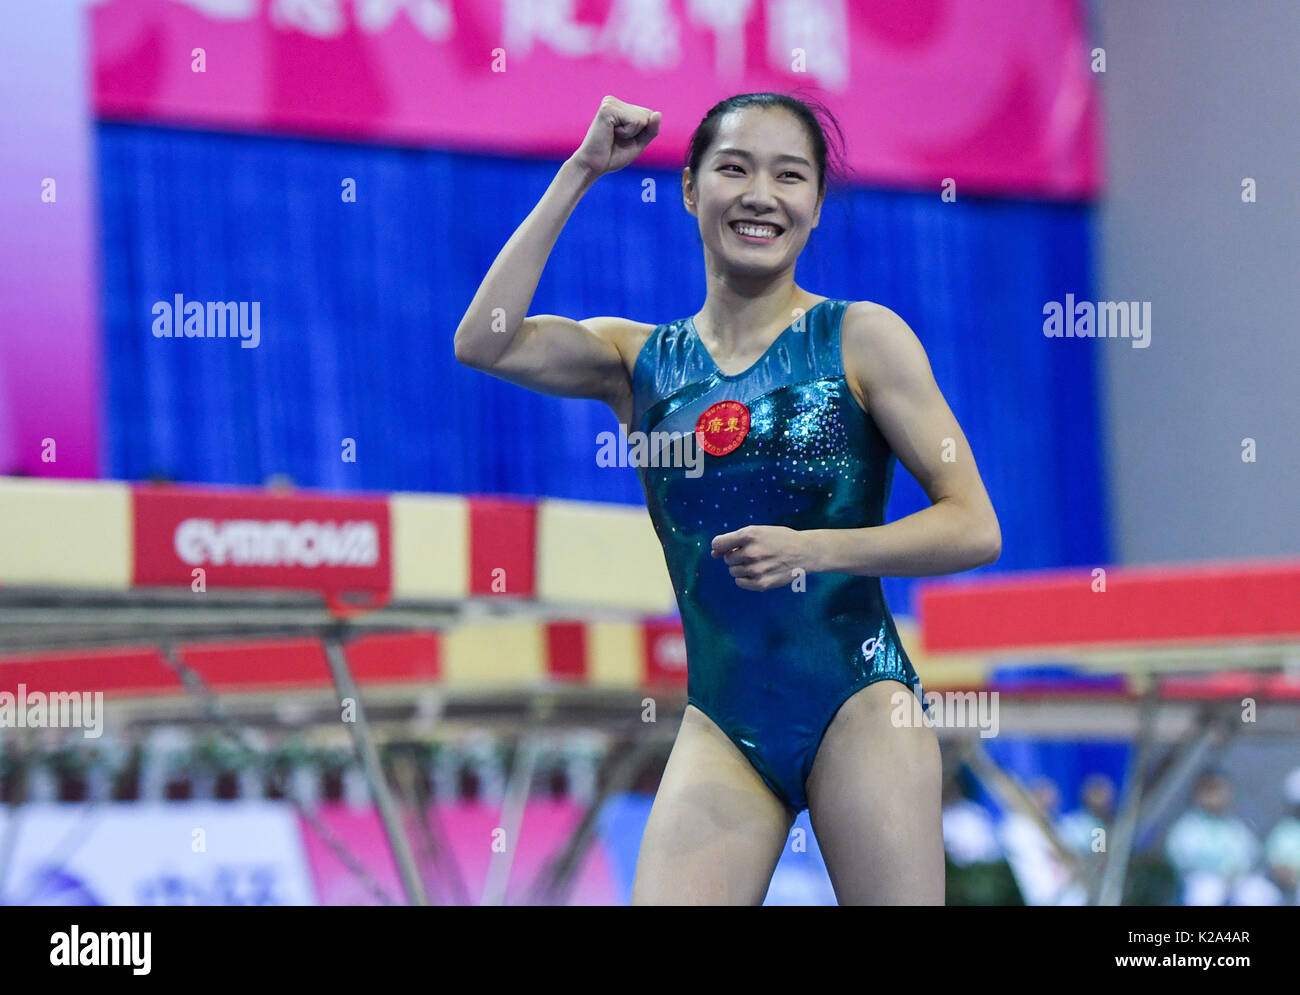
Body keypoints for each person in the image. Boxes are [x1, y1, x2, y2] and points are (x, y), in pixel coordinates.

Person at [455, 93, 1001, 904]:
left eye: (790, 176)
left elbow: (973, 525)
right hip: (724, 718)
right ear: (689, 186)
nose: (761, 195)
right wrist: (581, 171)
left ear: (815, 207)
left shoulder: (863, 338)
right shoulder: (636, 360)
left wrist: (815, 548)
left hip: (859, 699)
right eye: (734, 169)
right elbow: (484, 339)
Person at [1164, 770, 1262, 905]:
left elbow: (1249, 856)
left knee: (1258, 892)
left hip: (1234, 881)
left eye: (1220, 790)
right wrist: (1218, 872)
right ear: (1197, 794)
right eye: (1210, 790)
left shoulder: (1236, 828)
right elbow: (1183, 858)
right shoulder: (1187, 827)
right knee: (1208, 891)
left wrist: (1232, 876)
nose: (1216, 796)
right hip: (1201, 879)